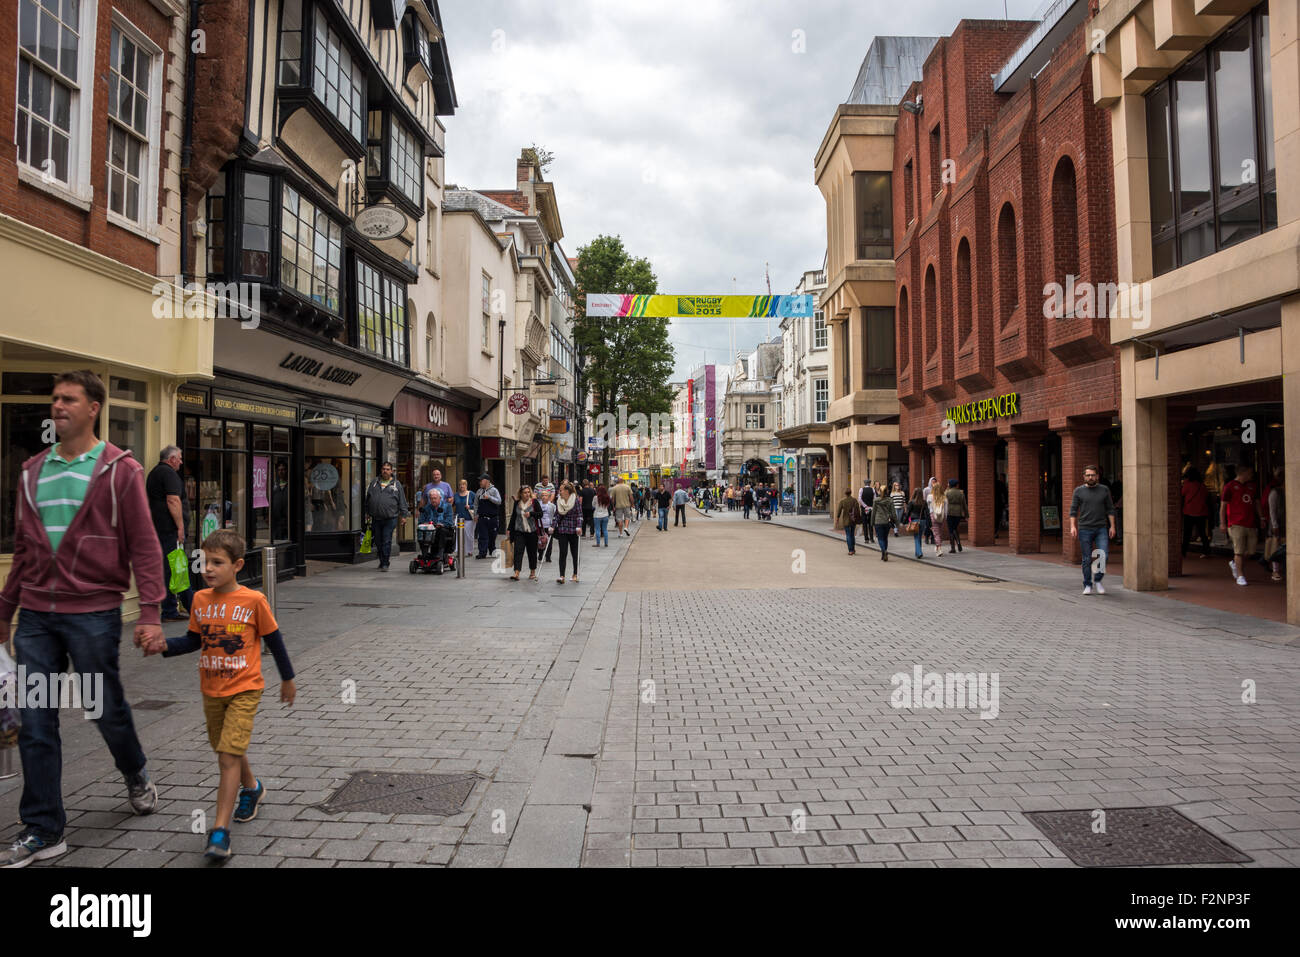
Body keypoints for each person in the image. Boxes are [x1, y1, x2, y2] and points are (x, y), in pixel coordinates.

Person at [0, 371, 165, 869]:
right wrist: (4, 611)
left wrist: (152, 613)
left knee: (103, 708)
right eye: (55, 399)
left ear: (94, 407)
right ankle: (44, 828)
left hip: (93, 612)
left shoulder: (121, 471)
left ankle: (134, 770)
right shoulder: (32, 472)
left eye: (69, 398)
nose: (58, 406)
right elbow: (25, 551)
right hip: (36, 617)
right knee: (35, 720)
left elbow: (144, 544)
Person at [142, 529, 295, 862]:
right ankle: (253, 788)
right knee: (228, 747)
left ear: (237, 565)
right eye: (204, 561)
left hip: (245, 689)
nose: (208, 568)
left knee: (227, 756)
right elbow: (195, 641)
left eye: (217, 562)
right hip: (211, 690)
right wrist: (164, 645)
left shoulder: (254, 601)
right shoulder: (200, 600)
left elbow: (275, 640)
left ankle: (220, 832)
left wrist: (288, 679)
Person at [147, 445, 194, 622]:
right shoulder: (167, 474)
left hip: (160, 529)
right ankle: (189, 608)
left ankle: (171, 609)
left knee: (169, 569)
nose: (181, 462)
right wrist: (180, 528)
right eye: (179, 458)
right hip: (168, 530)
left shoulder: (155, 473)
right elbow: (173, 500)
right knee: (177, 568)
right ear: (171, 459)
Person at [1069, 465, 1117, 596]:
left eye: (1093, 475)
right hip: (1084, 528)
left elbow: (1110, 509)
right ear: (1084, 477)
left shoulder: (1104, 490)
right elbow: (1073, 510)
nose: (1090, 477)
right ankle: (1087, 584)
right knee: (1086, 559)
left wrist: (1112, 526)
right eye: (1088, 475)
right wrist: (1073, 526)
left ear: (1097, 476)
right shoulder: (1078, 491)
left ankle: (1098, 580)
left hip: (1101, 528)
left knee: (1103, 555)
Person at [1220, 463, 1263, 587]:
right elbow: (1223, 507)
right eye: (1250, 473)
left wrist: (1262, 517)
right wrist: (1223, 523)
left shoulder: (1252, 486)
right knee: (1239, 551)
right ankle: (1240, 575)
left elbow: (1257, 503)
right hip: (1235, 523)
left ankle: (1234, 563)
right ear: (1242, 473)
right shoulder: (1229, 486)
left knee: (1251, 551)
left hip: (1251, 523)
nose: (1251, 475)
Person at [363, 462, 409, 572]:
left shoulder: (396, 484)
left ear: (391, 471)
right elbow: (368, 499)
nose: (385, 471)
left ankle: (385, 563)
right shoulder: (374, 482)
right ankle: (381, 559)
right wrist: (367, 513)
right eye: (384, 469)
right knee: (378, 541)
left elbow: (402, 501)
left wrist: (403, 515)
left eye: (388, 469)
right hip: (375, 518)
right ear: (381, 470)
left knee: (386, 540)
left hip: (390, 518)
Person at [506, 486, 543, 581]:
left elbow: (540, 514)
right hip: (519, 531)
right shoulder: (517, 503)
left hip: (532, 532)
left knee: (532, 552)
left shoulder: (534, 502)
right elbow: (513, 517)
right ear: (521, 494)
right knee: (518, 551)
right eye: (525, 492)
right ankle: (516, 572)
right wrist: (509, 529)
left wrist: (531, 514)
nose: (527, 494)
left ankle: (532, 572)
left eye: (528, 492)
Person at [418, 488, 455, 574]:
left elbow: (449, 521)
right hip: (430, 530)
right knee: (421, 531)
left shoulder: (447, 506)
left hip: (444, 529)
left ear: (440, 498)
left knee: (441, 530)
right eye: (431, 498)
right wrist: (425, 523)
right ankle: (425, 554)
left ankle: (440, 554)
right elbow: (421, 520)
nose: (433, 500)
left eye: (435, 498)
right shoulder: (427, 507)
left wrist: (442, 524)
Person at [553, 481, 582, 583]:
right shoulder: (559, 501)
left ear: (567, 491)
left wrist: (579, 526)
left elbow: (579, 514)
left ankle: (575, 573)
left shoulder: (576, 500)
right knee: (563, 552)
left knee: (575, 553)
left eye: (561, 490)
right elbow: (557, 515)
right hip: (563, 529)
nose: (559, 492)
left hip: (574, 530)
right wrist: (552, 526)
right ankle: (562, 576)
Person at [1180, 465, 1211, 559]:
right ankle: (1206, 551)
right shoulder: (1202, 485)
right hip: (1201, 512)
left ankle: (1183, 552)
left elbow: (1182, 494)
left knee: (1187, 534)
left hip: (1189, 512)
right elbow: (1206, 497)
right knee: (1202, 533)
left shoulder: (1187, 484)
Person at [474, 475, 503, 559]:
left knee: (492, 536)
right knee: (482, 536)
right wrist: (475, 515)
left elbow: (499, 501)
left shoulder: (494, 490)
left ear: (487, 481)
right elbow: (476, 504)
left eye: (481, 481)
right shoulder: (479, 491)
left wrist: (489, 497)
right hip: (482, 518)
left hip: (492, 518)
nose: (480, 482)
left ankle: (492, 551)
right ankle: (482, 552)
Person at [1267, 465, 1285, 582]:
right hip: (1278, 522)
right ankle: (1275, 570)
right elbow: (1272, 510)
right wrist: (1274, 525)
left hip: (1287, 522)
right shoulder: (1275, 492)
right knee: (1276, 546)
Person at [870, 485, 898, 560]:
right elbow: (893, 513)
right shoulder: (890, 500)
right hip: (886, 521)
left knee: (880, 538)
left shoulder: (876, 500)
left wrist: (872, 522)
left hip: (878, 521)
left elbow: (873, 512)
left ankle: (884, 551)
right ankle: (884, 553)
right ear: (887, 491)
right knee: (885, 538)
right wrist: (896, 523)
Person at [453, 478, 476, 559]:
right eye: (460, 485)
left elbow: (477, 504)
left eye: (463, 484)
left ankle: (469, 550)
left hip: (469, 518)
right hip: (459, 518)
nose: (461, 486)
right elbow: (452, 505)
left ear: (466, 485)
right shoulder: (455, 495)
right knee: (458, 536)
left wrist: (470, 506)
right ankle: (459, 551)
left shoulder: (471, 494)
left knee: (469, 535)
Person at [834, 489, 862, 555]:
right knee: (852, 534)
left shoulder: (843, 501)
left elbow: (839, 510)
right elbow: (857, 510)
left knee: (848, 535)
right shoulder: (854, 500)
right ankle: (853, 548)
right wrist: (858, 518)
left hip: (846, 520)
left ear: (845, 493)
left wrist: (837, 518)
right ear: (851, 493)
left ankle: (850, 550)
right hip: (853, 520)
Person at [944, 479, 967, 553]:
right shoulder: (961, 493)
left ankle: (953, 547)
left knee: (951, 529)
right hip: (958, 512)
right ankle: (958, 543)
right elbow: (964, 504)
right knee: (955, 528)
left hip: (949, 512)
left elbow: (944, 502)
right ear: (956, 485)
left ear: (950, 485)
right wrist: (966, 514)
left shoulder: (947, 492)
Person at [907, 488, 928, 559]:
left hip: (915, 521)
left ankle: (919, 552)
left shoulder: (912, 502)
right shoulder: (924, 502)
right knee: (919, 536)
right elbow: (927, 513)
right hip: (923, 521)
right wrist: (929, 523)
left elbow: (908, 512)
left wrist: (905, 520)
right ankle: (917, 552)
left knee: (916, 537)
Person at [928, 477, 947, 558]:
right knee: (940, 532)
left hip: (933, 515)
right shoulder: (944, 498)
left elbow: (929, 507)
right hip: (942, 516)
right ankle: (938, 546)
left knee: (936, 533)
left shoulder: (930, 496)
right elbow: (946, 510)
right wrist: (945, 517)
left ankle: (939, 548)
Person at [538, 489, 557, 563]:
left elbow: (555, 515)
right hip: (540, 525)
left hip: (549, 525)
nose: (544, 497)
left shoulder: (552, 506)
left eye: (545, 495)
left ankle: (548, 556)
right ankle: (540, 554)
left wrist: (554, 525)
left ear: (549, 497)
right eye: (542, 495)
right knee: (540, 541)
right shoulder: (538, 504)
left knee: (549, 542)